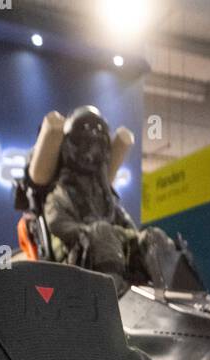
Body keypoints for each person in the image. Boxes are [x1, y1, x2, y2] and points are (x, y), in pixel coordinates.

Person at [43, 106, 178, 291]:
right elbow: (57, 223)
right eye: (85, 145)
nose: (91, 153)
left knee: (152, 236)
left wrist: (127, 235)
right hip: (76, 257)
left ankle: (173, 293)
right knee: (102, 230)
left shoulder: (104, 193)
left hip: (109, 251)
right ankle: (114, 295)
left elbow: (127, 225)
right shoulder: (61, 192)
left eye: (96, 147)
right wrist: (88, 231)